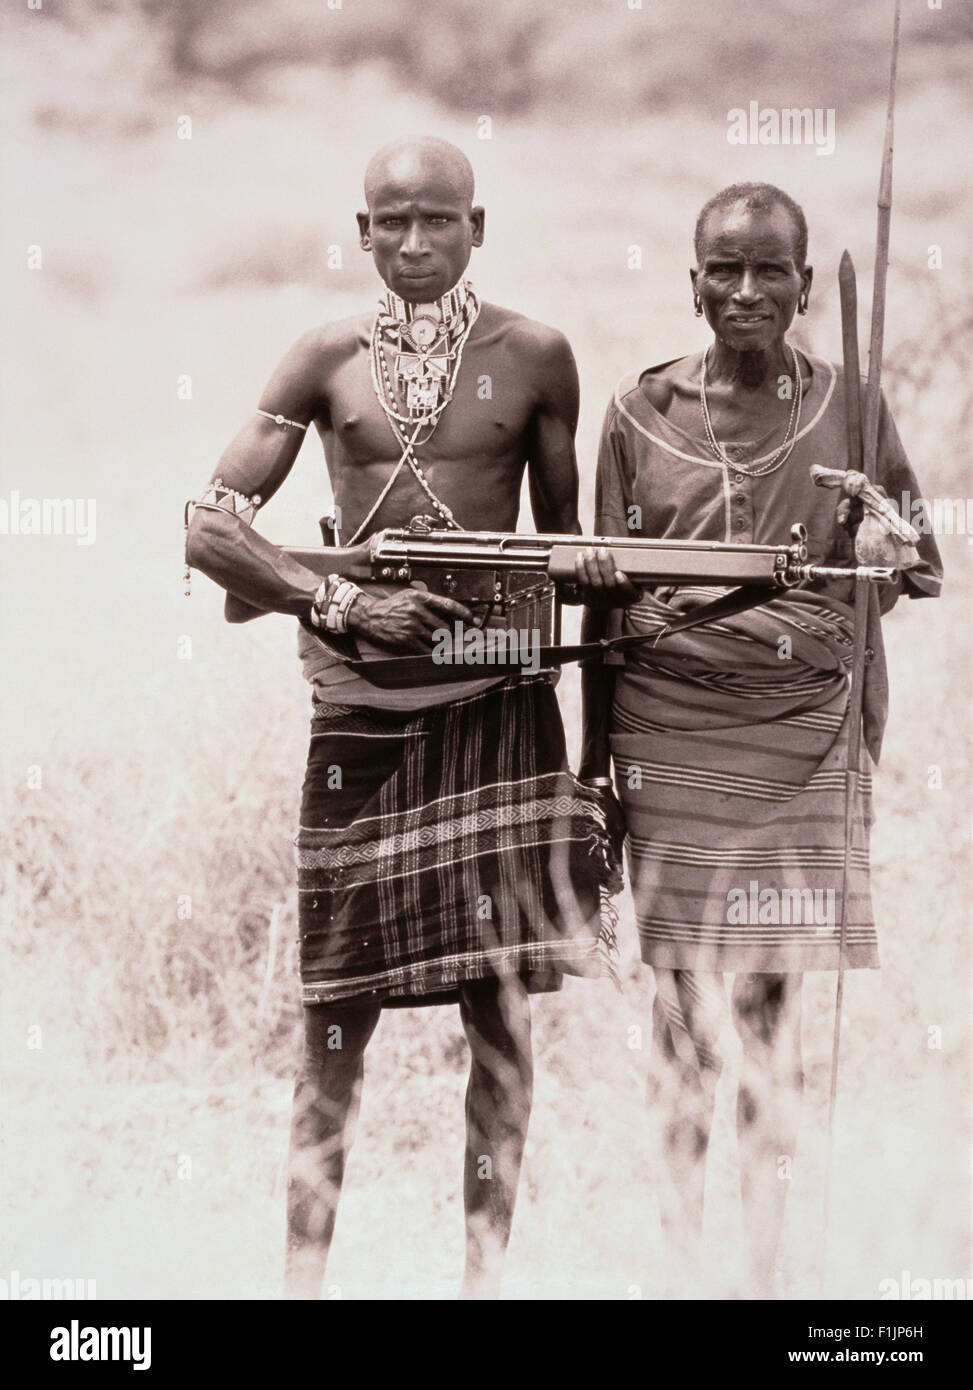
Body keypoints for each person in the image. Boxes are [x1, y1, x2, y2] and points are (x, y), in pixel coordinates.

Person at [185, 137, 627, 1299]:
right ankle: (300, 1288)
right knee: (333, 1030)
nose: (416, 242)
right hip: (361, 724)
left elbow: (557, 558)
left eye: (439, 220)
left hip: (499, 708)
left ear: (477, 228)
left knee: (501, 1026)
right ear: (363, 231)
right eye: (394, 223)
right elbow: (209, 529)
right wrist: (341, 598)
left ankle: (482, 1284)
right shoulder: (322, 358)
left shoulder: (537, 357)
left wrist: (597, 747)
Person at [577, 182, 943, 1296]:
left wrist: (883, 537)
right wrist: (595, 773)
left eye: (769, 270)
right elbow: (603, 610)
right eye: (723, 270)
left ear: (800, 284)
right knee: (682, 1006)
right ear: (691, 284)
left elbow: (919, 563)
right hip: (668, 732)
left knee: (771, 1005)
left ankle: (770, 1275)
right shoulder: (637, 417)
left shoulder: (853, 407)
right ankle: (680, 1263)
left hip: (795, 744)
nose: (745, 292)